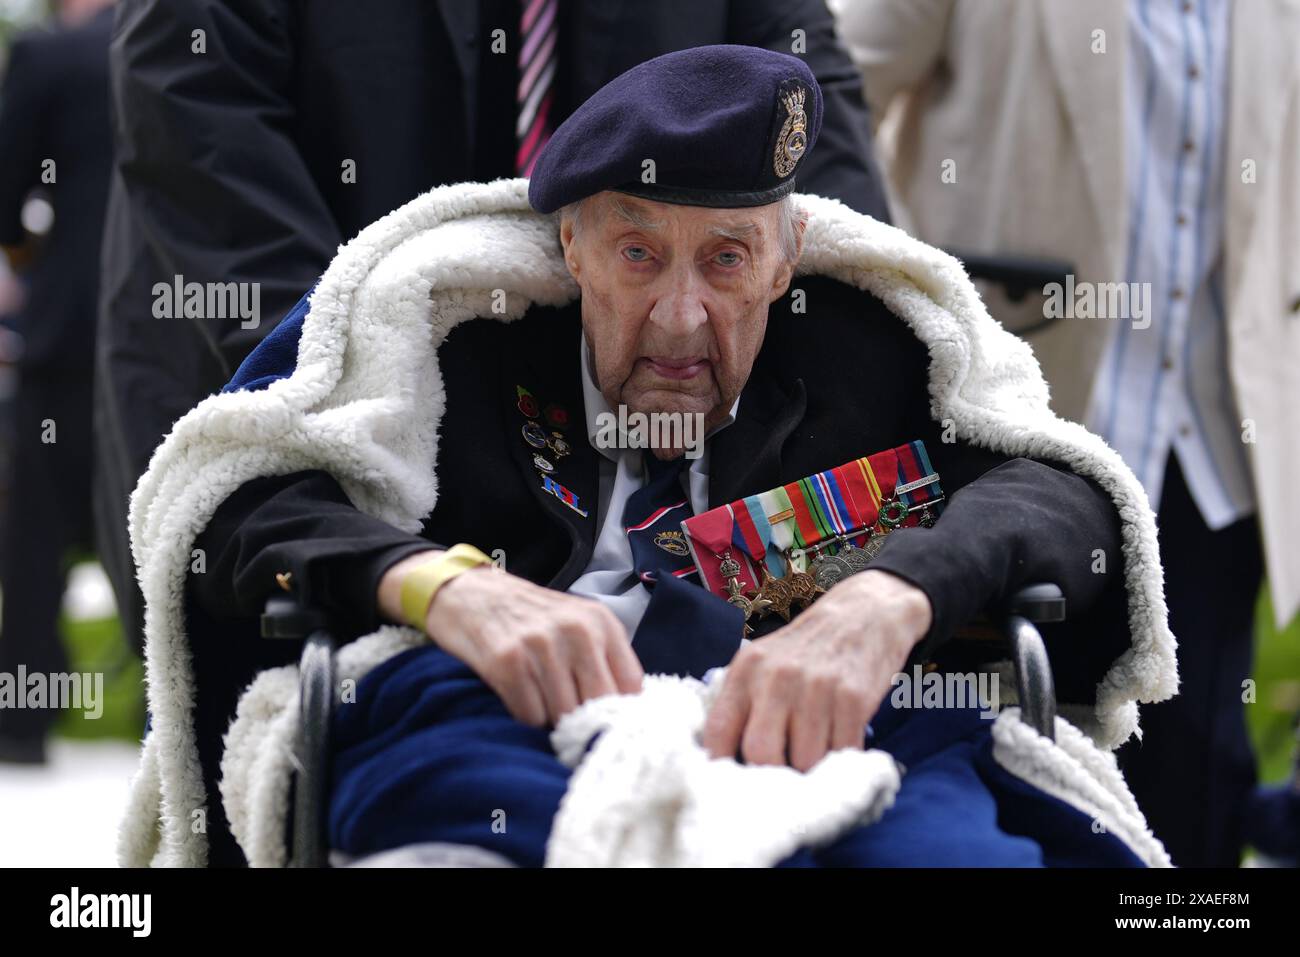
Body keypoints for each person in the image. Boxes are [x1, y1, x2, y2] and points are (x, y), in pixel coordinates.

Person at [165, 46, 1164, 867]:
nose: (681, 319)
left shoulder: (874, 351)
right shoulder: (452, 343)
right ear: (571, 248)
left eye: (726, 259)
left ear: (786, 260)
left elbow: (1061, 496)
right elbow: (236, 500)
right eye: (638, 254)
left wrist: (889, 598)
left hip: (823, 736)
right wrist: (446, 589)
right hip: (498, 720)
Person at [94, 0, 893, 660]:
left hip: (631, 457)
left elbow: (806, 116)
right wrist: (378, 399)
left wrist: (835, 387)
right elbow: (196, 115)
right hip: (288, 372)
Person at [831, 0, 1300, 867]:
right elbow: (831, 87)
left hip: (1217, 462)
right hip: (1009, 448)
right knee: (1008, 776)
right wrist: (908, 294)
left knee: (1194, 801)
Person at [0, 0, 115, 763]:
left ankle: (23, 725)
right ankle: (184, 720)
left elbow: (7, 197)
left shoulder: (50, 58)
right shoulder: (202, 47)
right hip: (178, 332)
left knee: (34, 541)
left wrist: (29, 253)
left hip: (67, 330)